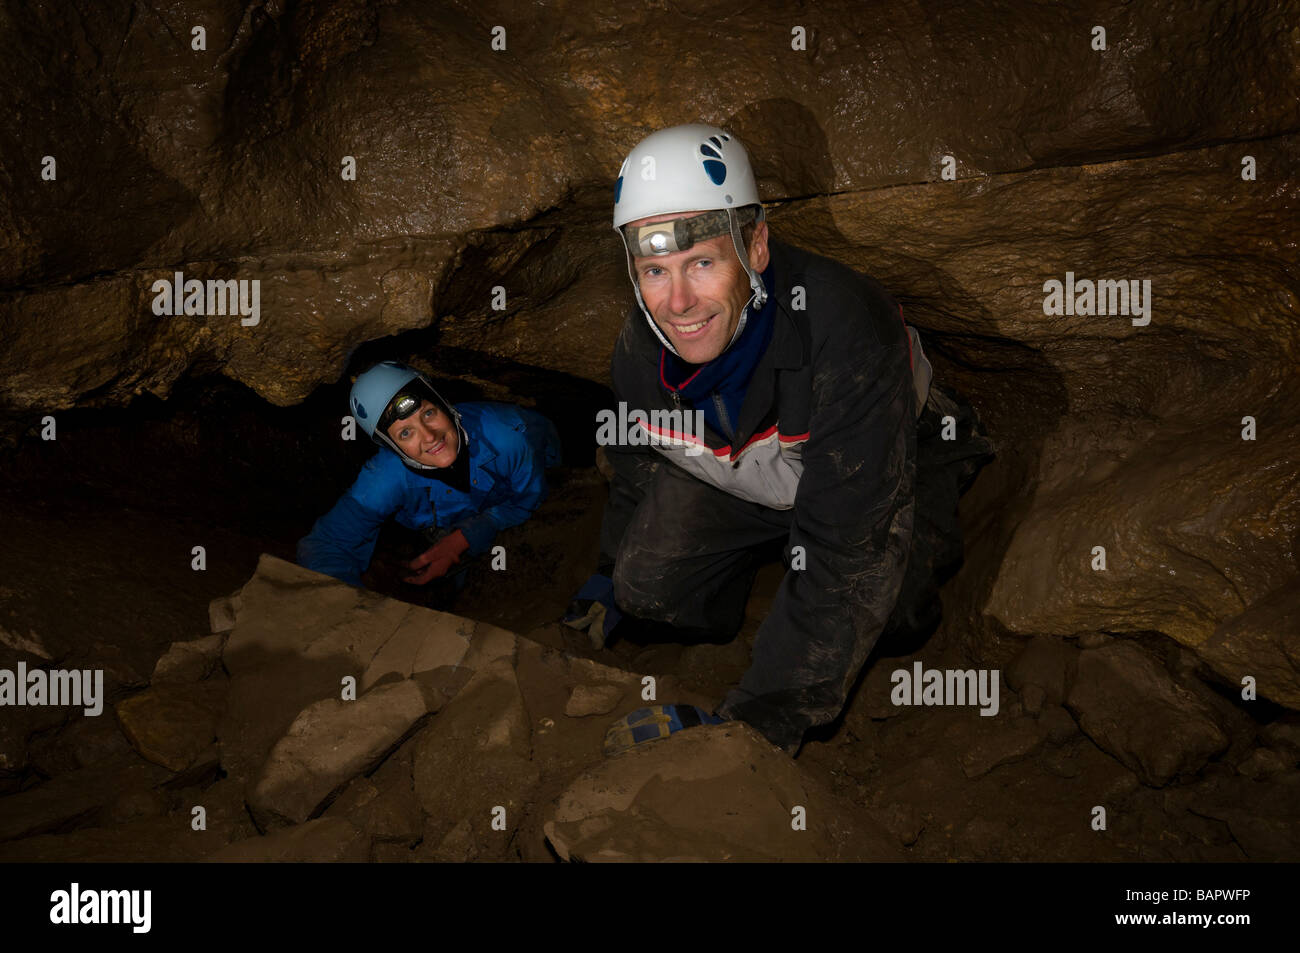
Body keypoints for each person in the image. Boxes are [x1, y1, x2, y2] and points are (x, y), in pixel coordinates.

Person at [566, 123, 994, 756]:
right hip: (753, 477)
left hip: (878, 455)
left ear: (756, 246)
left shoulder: (843, 324)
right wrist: (609, 574)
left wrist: (759, 721)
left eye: (703, 262)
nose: (679, 301)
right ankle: (754, 577)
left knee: (892, 611)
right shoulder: (637, 356)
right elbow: (637, 462)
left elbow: (847, 543)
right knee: (646, 587)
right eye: (654, 270)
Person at [297, 360, 562, 594]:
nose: (429, 436)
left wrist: (464, 538)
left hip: (527, 485)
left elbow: (527, 499)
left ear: (444, 404)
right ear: (391, 448)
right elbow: (326, 544)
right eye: (405, 433)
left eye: (428, 413)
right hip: (451, 514)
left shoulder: (509, 437)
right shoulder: (385, 477)